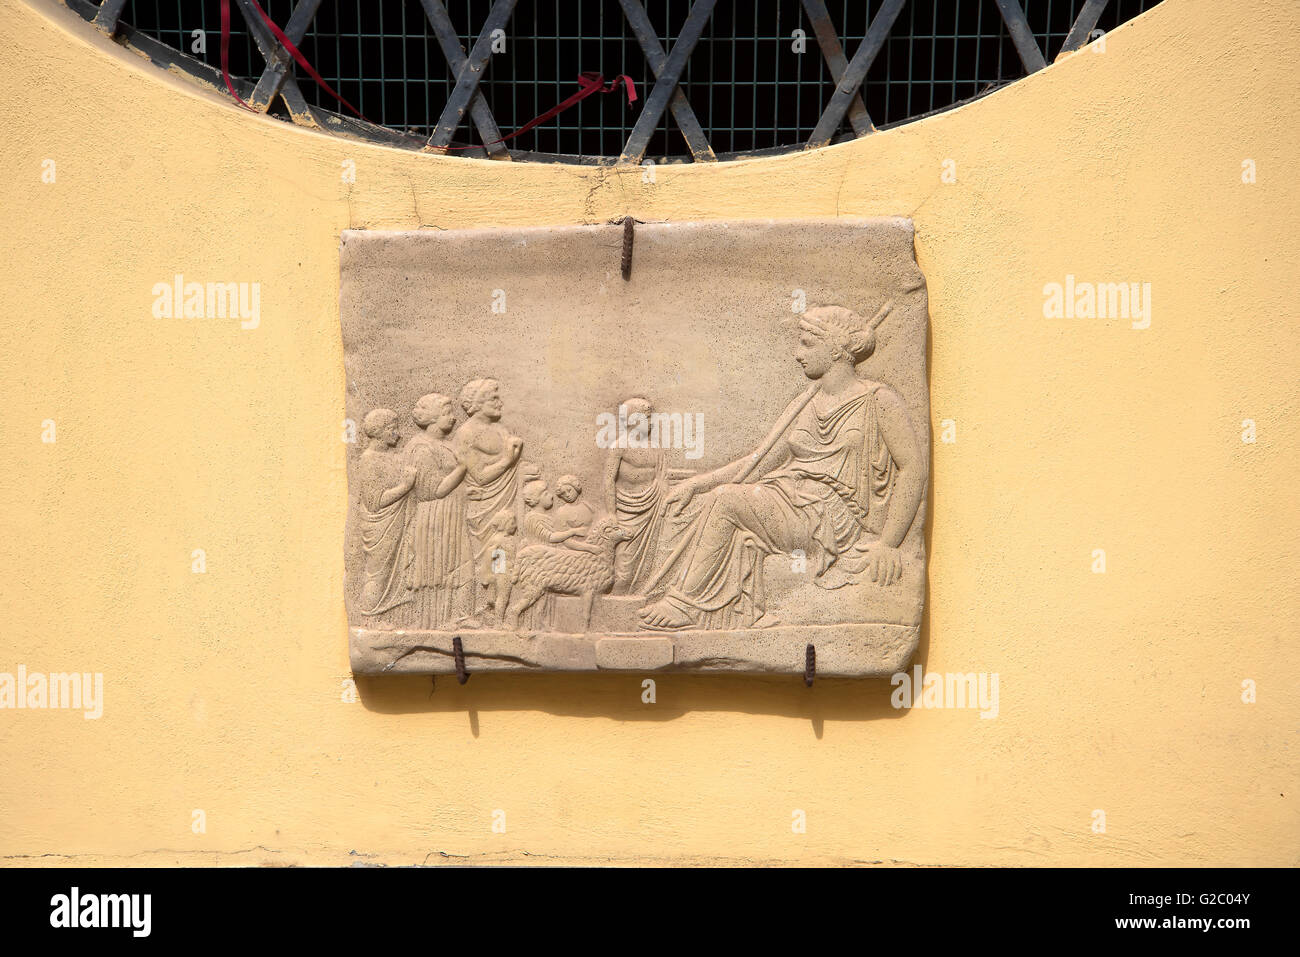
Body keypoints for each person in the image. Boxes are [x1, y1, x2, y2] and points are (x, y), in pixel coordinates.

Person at [639, 304, 925, 630]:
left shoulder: (878, 400)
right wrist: (697, 484)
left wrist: (888, 542)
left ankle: (683, 605)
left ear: (834, 349)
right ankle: (735, 612)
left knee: (727, 501)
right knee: (710, 500)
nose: (796, 353)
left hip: (832, 515)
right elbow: (758, 463)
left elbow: (912, 468)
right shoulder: (803, 405)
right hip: (789, 498)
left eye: (806, 343)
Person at [603, 397, 691, 594]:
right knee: (624, 568)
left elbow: (662, 478)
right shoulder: (619, 446)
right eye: (647, 418)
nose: (651, 423)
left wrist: (666, 506)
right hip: (627, 511)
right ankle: (615, 604)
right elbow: (608, 480)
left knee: (651, 564)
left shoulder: (656, 449)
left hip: (653, 509)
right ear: (634, 420)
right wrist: (611, 513)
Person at [454, 378, 524, 613]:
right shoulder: (466, 433)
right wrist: (507, 459)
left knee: (502, 552)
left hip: (505, 499)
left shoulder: (500, 429)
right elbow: (481, 475)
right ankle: (479, 604)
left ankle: (498, 601)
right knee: (484, 555)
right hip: (484, 505)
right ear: (477, 402)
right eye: (494, 398)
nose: (500, 403)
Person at [404, 393, 474, 629]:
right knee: (438, 569)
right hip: (435, 517)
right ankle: (434, 624)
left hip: (453, 515)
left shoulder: (445, 445)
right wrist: (462, 468)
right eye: (447, 413)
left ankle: (461, 617)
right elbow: (434, 490)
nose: (453, 419)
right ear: (433, 418)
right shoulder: (420, 448)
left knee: (463, 566)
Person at [355, 408, 417, 622]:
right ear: (380, 432)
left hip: (397, 522)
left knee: (395, 573)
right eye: (392, 429)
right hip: (380, 526)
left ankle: (388, 616)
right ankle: (369, 619)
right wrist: (406, 486)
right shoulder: (369, 460)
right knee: (378, 574)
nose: (398, 434)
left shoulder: (391, 457)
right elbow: (375, 502)